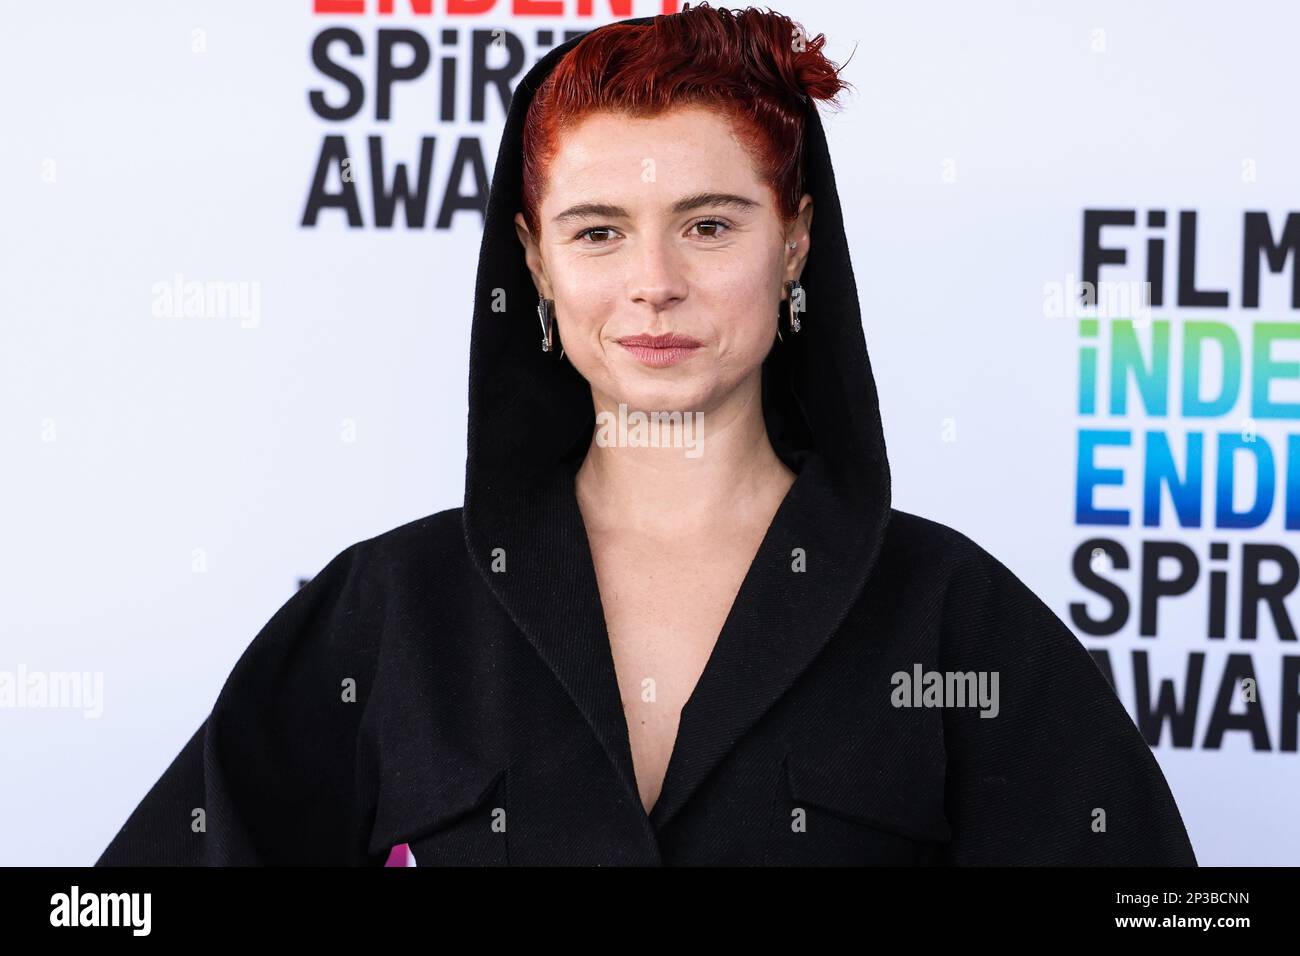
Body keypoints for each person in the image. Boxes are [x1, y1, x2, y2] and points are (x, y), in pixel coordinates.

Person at [96, 4, 1197, 866]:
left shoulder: (958, 623)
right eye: (599, 231)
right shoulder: (390, 614)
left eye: (709, 225)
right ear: (534, 261)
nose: (654, 285)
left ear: (796, 239)